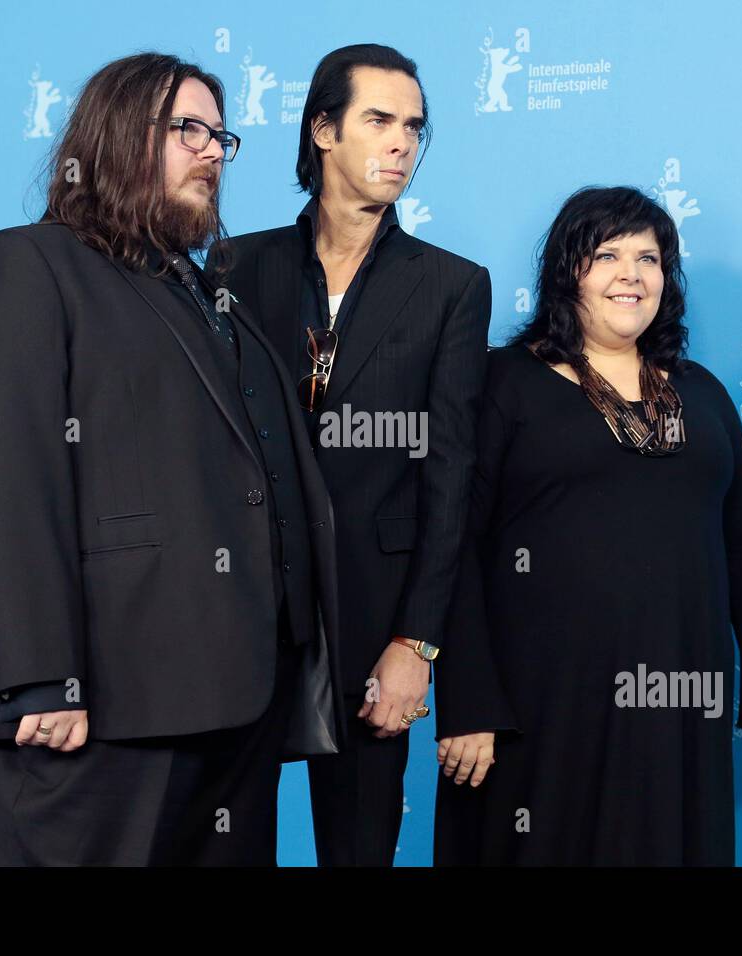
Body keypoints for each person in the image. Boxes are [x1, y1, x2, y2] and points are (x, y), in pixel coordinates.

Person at [0, 52, 344, 866]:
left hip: (235, 709)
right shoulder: (23, 266)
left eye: (221, 134)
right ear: (114, 136)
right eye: (186, 128)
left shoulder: (203, 295)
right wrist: (42, 676)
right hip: (97, 709)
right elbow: (4, 482)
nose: (212, 151)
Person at [432, 186, 742, 865]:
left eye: (649, 257)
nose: (631, 275)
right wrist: (468, 702)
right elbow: (454, 548)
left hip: (678, 701)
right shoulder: (503, 384)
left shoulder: (702, 392)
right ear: (565, 273)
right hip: (538, 706)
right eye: (606, 255)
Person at [207, 44, 491, 866]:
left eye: (414, 127)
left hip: (378, 622)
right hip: (248, 615)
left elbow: (450, 480)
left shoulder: (451, 285)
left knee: (361, 848)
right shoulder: (234, 265)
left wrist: (418, 644)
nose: (401, 143)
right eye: (379, 120)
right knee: (227, 844)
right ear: (324, 129)